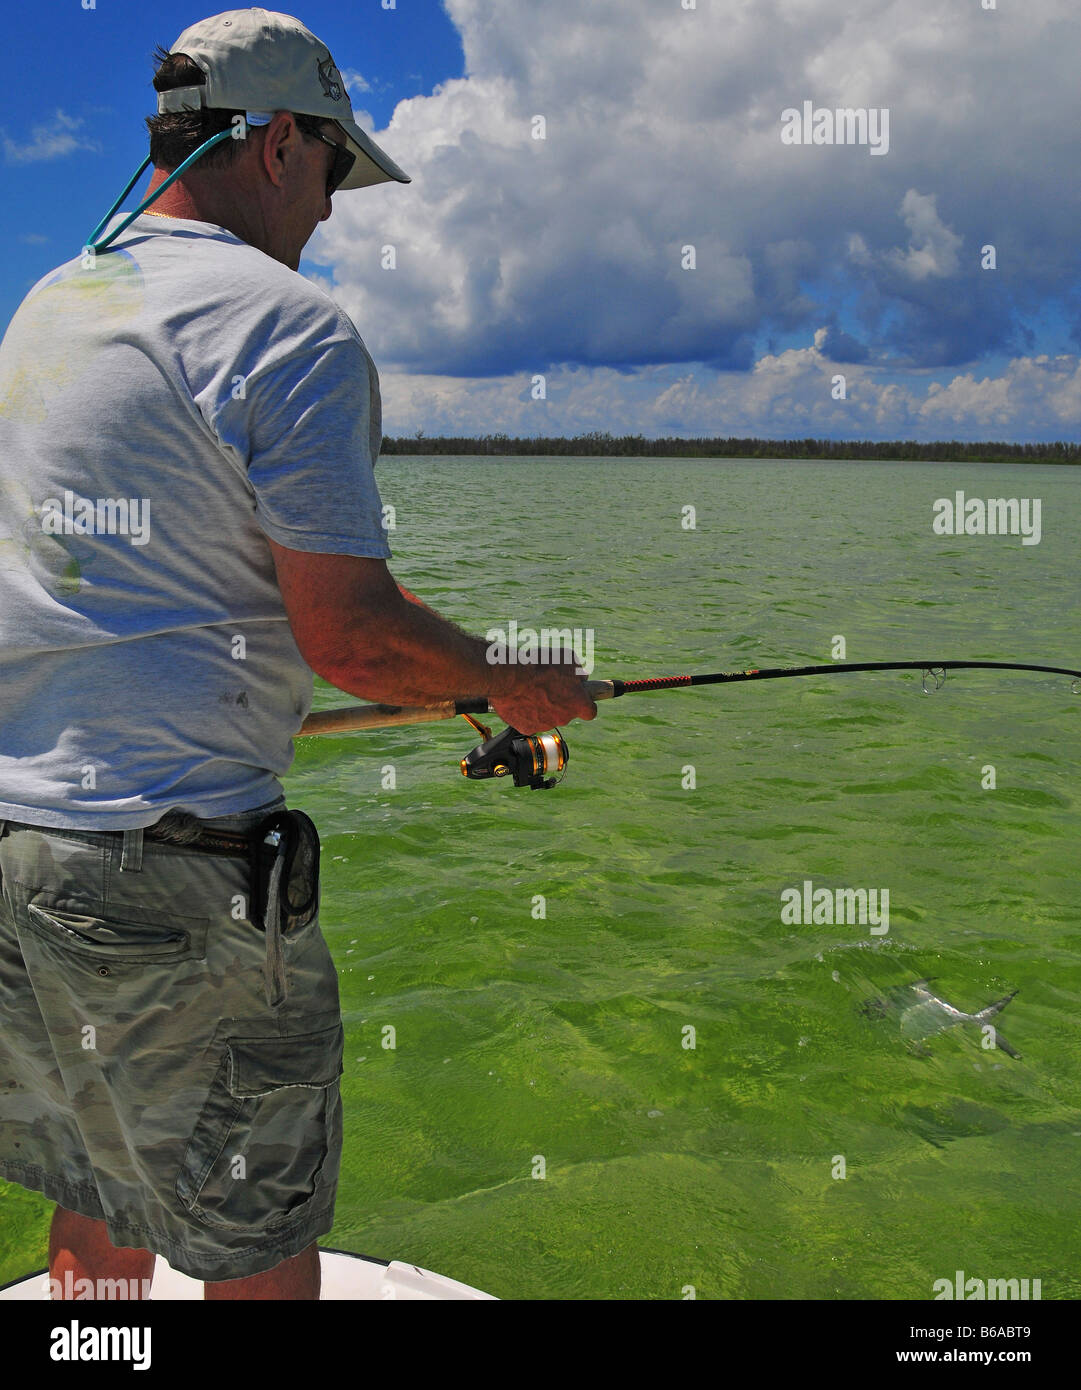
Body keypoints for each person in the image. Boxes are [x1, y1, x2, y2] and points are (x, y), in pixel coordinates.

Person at [0, 8, 594, 1302]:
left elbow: (164, 591)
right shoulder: (287, 327)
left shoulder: (48, 308)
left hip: (24, 856)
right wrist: (517, 680)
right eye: (332, 172)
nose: (331, 210)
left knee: (97, 1203)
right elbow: (353, 635)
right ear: (277, 143)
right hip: (179, 883)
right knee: (248, 1240)